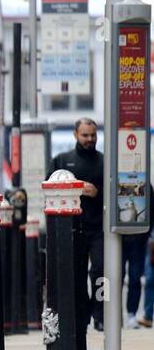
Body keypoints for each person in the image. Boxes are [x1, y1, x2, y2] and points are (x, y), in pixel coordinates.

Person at [50, 119, 104, 331]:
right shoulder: (62, 160)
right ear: (75, 135)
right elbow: (49, 188)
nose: (90, 139)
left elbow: (116, 193)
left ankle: (100, 315)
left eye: (93, 135)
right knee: (77, 273)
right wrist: (75, 187)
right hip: (72, 227)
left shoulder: (104, 161)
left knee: (101, 271)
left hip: (98, 228)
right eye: (85, 135)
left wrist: (97, 192)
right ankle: (82, 315)